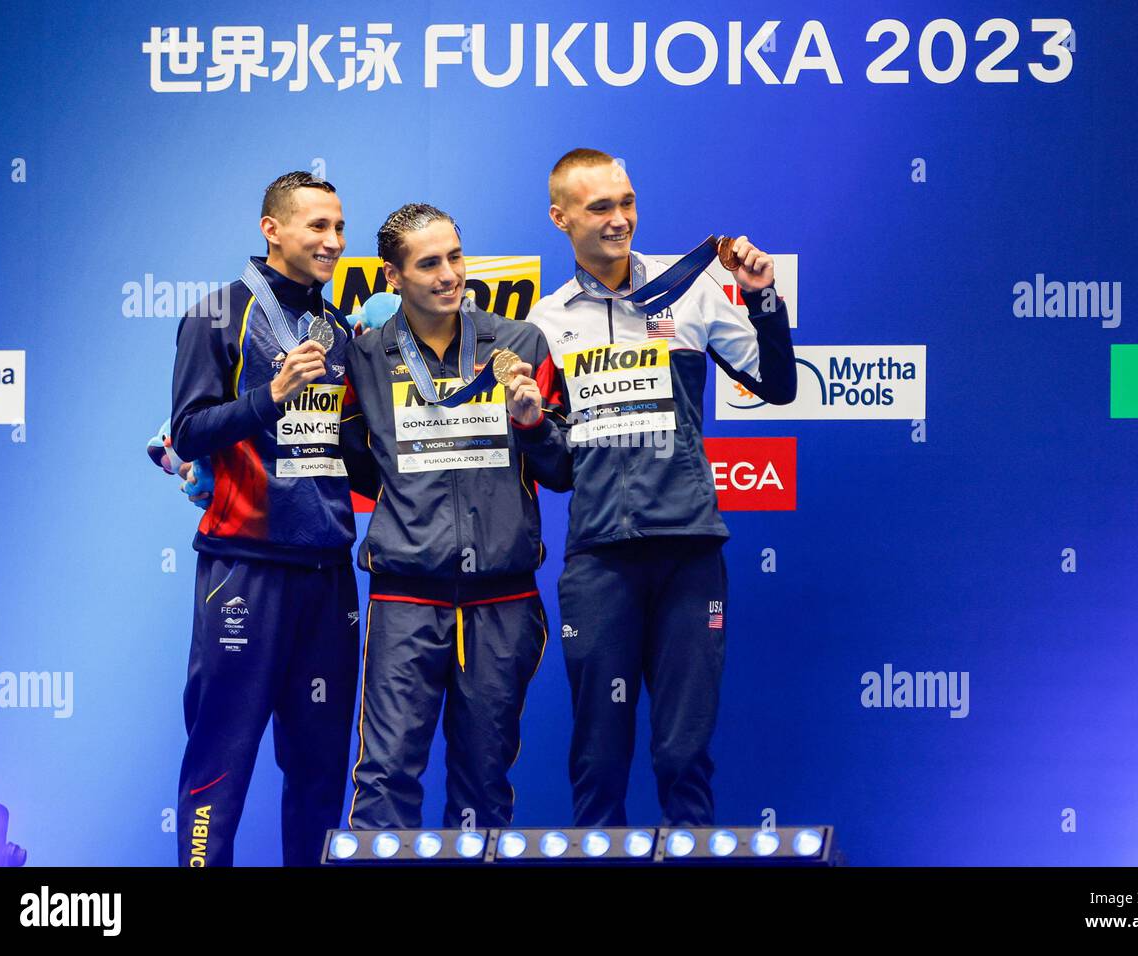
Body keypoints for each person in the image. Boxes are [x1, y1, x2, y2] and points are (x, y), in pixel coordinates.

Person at [527, 148, 797, 827]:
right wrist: (531, 425)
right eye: (600, 208)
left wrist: (762, 297)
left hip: (689, 552)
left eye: (628, 203)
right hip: (600, 559)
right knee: (598, 760)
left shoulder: (693, 288)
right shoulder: (545, 321)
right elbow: (556, 467)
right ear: (561, 219)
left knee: (682, 755)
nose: (620, 221)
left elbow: (778, 384)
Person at [344, 204, 571, 830]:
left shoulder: (520, 344)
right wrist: (411, 516)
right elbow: (354, 463)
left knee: (483, 783)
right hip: (406, 599)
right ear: (392, 276)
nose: (450, 275)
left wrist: (533, 425)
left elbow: (563, 468)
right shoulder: (363, 359)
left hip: (502, 599)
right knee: (385, 779)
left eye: (455, 257)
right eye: (428, 263)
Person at [170, 171, 372, 866]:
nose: (333, 241)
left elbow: (347, 451)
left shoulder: (336, 328)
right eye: (317, 226)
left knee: (319, 772)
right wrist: (273, 394)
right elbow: (190, 432)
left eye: (340, 227)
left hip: (327, 577)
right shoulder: (217, 316)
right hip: (244, 569)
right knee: (219, 765)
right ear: (272, 228)